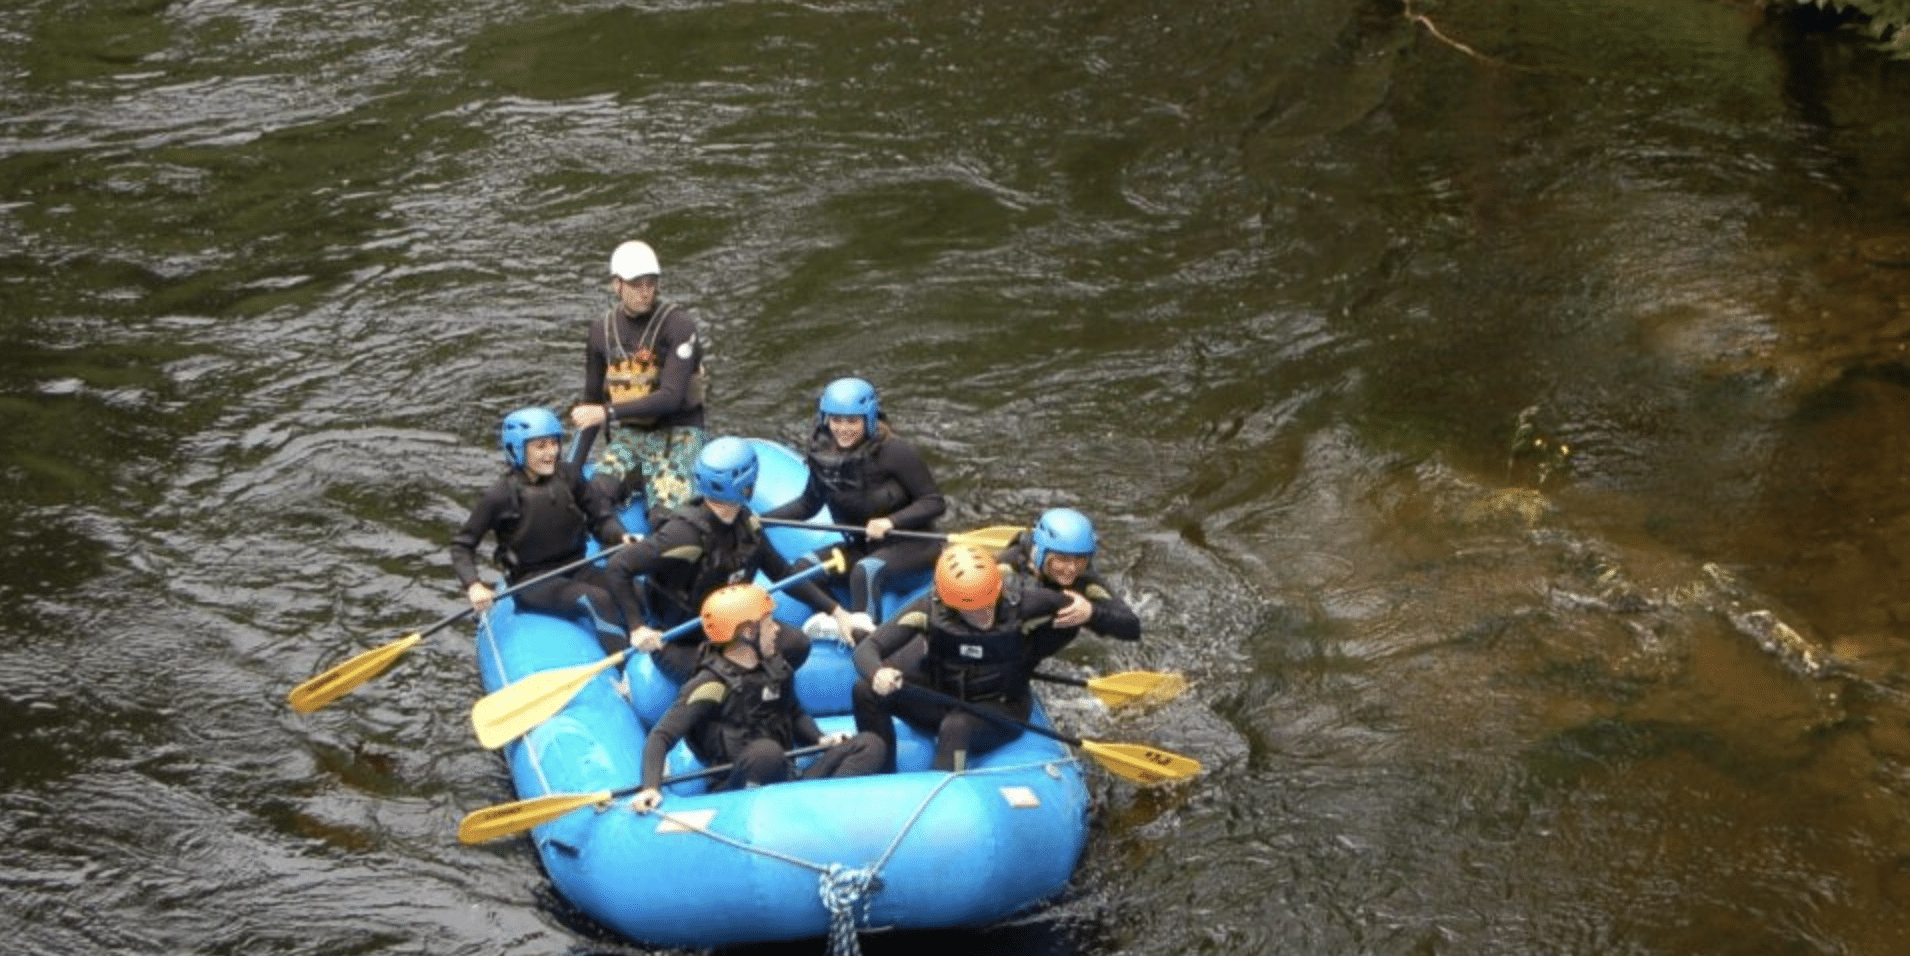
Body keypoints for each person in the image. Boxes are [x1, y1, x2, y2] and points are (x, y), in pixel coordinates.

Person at [610, 436, 858, 683]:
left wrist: (836, 611)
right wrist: (637, 627)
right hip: (681, 641)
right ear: (747, 485)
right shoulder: (683, 535)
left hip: (734, 631)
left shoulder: (745, 525)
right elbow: (618, 566)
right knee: (728, 678)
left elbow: (782, 573)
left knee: (796, 645)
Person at [628, 583, 887, 811]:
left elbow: (793, 713)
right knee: (766, 753)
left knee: (869, 744)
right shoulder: (710, 684)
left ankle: (821, 808)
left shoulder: (776, 668)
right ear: (749, 633)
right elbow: (661, 735)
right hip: (738, 791)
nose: (777, 630)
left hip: (788, 778)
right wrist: (650, 787)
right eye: (769, 624)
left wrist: (820, 738)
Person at [851, 545, 1070, 773]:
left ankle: (948, 783)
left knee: (957, 726)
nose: (984, 615)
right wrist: (877, 672)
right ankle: (880, 771)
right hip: (943, 697)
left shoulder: (1024, 602)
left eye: (988, 603)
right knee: (864, 690)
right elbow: (867, 648)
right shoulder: (929, 608)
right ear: (951, 603)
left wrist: (1087, 611)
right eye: (972, 608)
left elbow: (1075, 607)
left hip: (999, 709)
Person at [449, 407, 646, 653]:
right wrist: (473, 585)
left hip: (578, 567)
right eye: (540, 446)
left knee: (636, 590)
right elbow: (462, 546)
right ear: (517, 449)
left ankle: (661, 643)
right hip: (532, 582)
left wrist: (621, 535)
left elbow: (601, 518)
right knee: (598, 600)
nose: (551, 452)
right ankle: (624, 663)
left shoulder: (570, 476)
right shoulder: (500, 496)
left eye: (554, 443)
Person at [764, 377, 946, 626]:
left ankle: (866, 635)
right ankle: (840, 622)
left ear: (868, 418)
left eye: (852, 421)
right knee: (804, 568)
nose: (843, 428)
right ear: (825, 419)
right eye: (836, 420)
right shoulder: (823, 454)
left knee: (865, 570)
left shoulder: (895, 451)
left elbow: (934, 502)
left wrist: (891, 521)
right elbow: (807, 505)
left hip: (914, 548)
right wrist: (760, 520)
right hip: (862, 546)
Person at [569, 239, 709, 516]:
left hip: (680, 431)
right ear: (617, 284)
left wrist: (607, 413)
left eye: (651, 283)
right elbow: (591, 403)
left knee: (665, 516)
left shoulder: (679, 326)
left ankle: (664, 500)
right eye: (636, 285)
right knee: (594, 500)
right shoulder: (600, 331)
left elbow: (671, 397)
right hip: (633, 433)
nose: (645, 293)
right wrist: (572, 472)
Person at [1000, 508, 1141, 675]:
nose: (1072, 568)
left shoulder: (1084, 579)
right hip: (1002, 643)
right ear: (1041, 554)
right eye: (1063, 559)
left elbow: (1132, 627)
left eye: (1080, 559)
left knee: (1066, 609)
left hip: (1032, 652)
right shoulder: (1011, 563)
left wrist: (1091, 613)